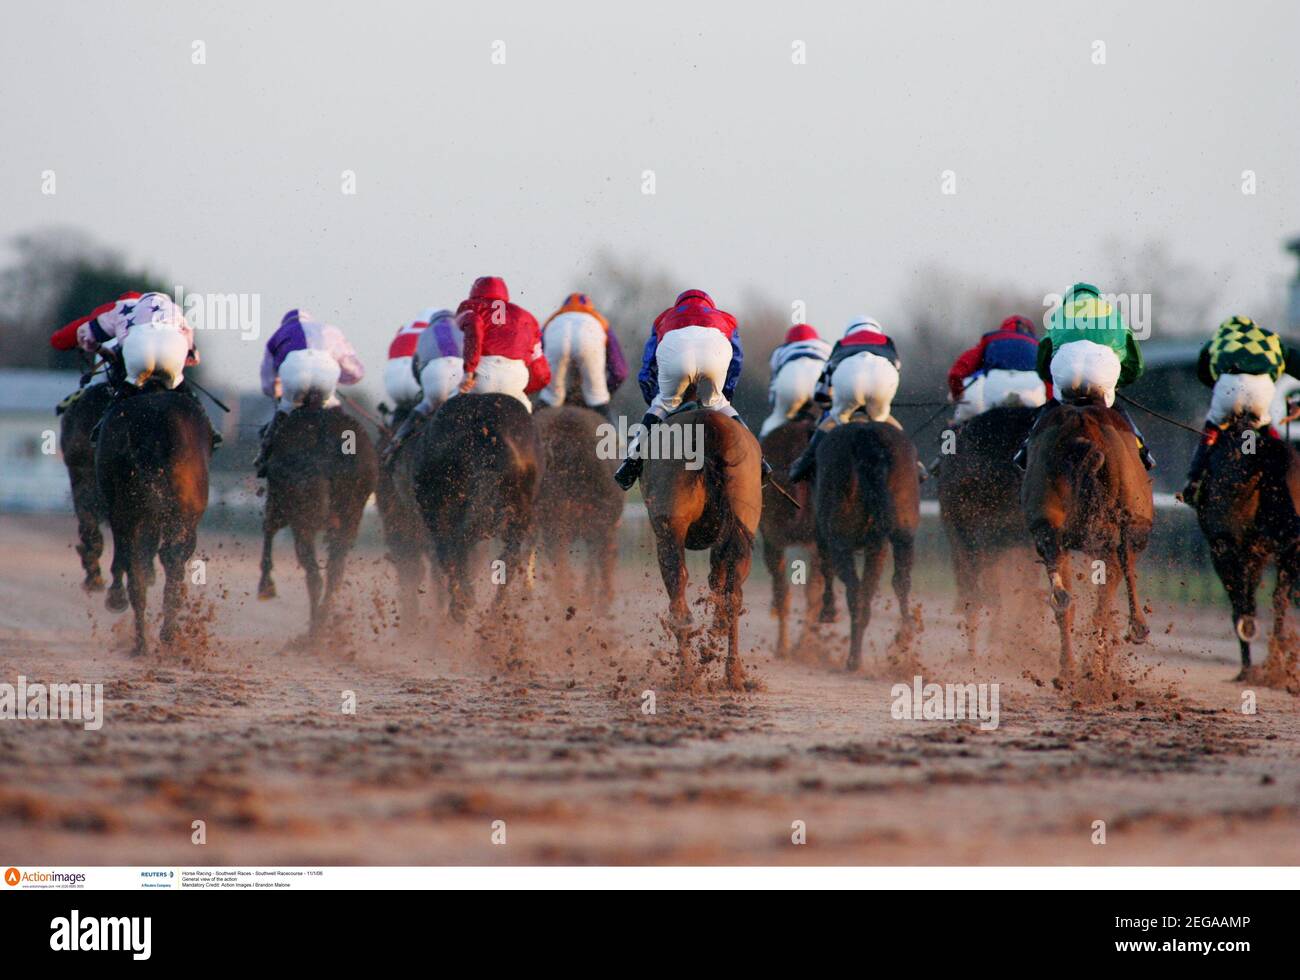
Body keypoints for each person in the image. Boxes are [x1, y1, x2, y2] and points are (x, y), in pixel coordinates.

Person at [613, 288, 769, 490]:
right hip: (715, 352)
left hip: (677, 355)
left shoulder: (663, 318)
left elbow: (647, 368)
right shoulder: (726, 319)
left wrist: (656, 402)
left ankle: (629, 466)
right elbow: (736, 361)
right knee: (720, 403)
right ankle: (760, 462)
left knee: (662, 404)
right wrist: (724, 396)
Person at [50, 290, 220, 447]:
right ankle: (209, 429)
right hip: (171, 352)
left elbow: (60, 340)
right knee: (181, 387)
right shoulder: (174, 311)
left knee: (117, 386)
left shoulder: (115, 309)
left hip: (134, 356)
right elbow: (192, 354)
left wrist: (98, 349)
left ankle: (100, 425)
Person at [1011, 282, 1152, 470]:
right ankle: (1141, 449)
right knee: (1115, 409)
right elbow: (1135, 366)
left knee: (1053, 406)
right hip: (1102, 367)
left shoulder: (1059, 314)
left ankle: (1027, 448)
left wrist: (1055, 380)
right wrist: (1115, 383)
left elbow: (1043, 359)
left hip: (1067, 368)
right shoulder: (1112, 313)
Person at [1178, 314, 1300, 503]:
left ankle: (1194, 480)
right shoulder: (1269, 338)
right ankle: (1279, 473)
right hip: (1261, 388)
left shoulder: (1219, 338)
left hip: (1228, 386)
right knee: (1262, 428)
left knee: (1212, 426)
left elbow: (1203, 374)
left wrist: (1222, 396)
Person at [787, 315, 914, 483]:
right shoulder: (887, 343)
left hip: (849, 380)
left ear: (850, 331)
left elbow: (822, 391)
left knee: (836, 418)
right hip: (883, 379)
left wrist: (828, 402)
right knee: (884, 419)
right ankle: (914, 464)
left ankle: (804, 464)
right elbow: (894, 374)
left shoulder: (841, 344)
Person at [254, 309, 365, 477]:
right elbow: (356, 372)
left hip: (293, 371)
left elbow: (268, 384)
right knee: (341, 418)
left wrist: (278, 394)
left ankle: (263, 456)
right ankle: (349, 455)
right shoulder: (330, 330)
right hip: (326, 370)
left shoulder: (278, 334)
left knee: (283, 411)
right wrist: (340, 378)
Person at [455, 276, 550, 410]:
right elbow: (540, 371)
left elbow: (474, 329)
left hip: (482, 375)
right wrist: (524, 389)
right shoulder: (527, 316)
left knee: (450, 404)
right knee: (526, 408)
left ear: (474, 293)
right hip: (515, 377)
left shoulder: (469, 306)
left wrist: (469, 371)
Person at [381, 308, 463, 459]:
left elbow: (416, 366)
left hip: (401, 384)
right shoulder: (460, 329)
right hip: (455, 381)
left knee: (422, 408)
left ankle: (394, 443)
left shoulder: (417, 332)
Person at [537, 292, 628, 418]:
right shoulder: (600, 321)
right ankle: (612, 436)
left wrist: (542, 388)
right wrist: (606, 392)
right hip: (589, 338)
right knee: (598, 399)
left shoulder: (551, 321)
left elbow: (536, 364)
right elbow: (620, 372)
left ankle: (526, 433)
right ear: (590, 308)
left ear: (563, 308)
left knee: (550, 398)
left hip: (556, 337)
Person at [945, 315, 1047, 423]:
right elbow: (1049, 381)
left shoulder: (991, 339)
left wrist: (957, 393)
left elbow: (956, 373)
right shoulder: (1038, 345)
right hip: (1032, 388)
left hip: (998, 387)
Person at [759, 322, 832, 437]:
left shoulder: (780, 351)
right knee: (831, 421)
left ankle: (760, 451)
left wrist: (778, 410)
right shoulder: (826, 347)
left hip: (791, 379)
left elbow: (773, 387)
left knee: (771, 424)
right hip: (817, 377)